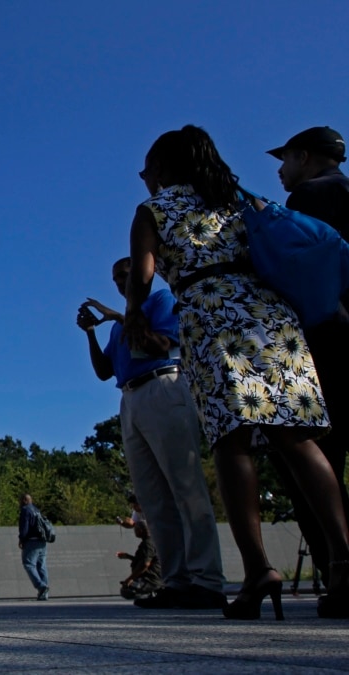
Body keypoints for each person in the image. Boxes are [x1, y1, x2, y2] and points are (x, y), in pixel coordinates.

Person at [125, 124, 349, 621]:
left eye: (148, 169)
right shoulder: (242, 201)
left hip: (211, 317)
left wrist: (133, 311)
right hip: (271, 317)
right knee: (298, 438)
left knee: (233, 443)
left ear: (161, 169)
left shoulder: (155, 210)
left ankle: (257, 570)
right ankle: (343, 560)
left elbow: (141, 274)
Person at [77, 257, 226, 610]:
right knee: (153, 496)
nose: (119, 282)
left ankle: (207, 579)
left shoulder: (159, 300)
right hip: (129, 397)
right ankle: (175, 579)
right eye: (115, 278)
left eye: (126, 275)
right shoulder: (118, 325)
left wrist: (119, 315)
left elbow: (161, 346)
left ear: (143, 275)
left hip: (164, 384)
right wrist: (91, 333)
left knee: (185, 486)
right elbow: (103, 370)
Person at [266, 126, 349, 583]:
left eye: (285, 159)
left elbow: (299, 273)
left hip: (328, 339)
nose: (280, 169)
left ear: (304, 156)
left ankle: (339, 568)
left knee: (308, 454)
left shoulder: (310, 199)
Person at [118, 522, 164, 601]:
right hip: (153, 578)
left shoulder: (147, 544)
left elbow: (145, 564)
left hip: (151, 579)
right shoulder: (152, 541)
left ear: (140, 530)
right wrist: (128, 556)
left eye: (136, 529)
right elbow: (144, 560)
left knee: (126, 591)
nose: (135, 531)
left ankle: (151, 593)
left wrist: (130, 579)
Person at [17, 494, 50, 601]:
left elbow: (24, 527)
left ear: (24, 501)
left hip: (31, 541)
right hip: (42, 541)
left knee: (28, 564)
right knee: (41, 566)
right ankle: (44, 593)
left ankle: (41, 586)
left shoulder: (26, 510)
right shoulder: (37, 510)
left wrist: (22, 539)